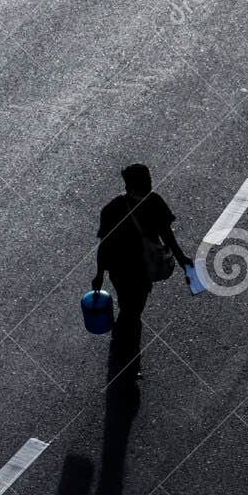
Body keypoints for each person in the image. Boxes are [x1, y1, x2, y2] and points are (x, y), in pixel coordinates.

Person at [91, 163, 191, 384]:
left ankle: (122, 347)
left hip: (132, 270)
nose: (149, 183)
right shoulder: (150, 203)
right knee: (132, 313)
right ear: (131, 184)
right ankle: (128, 358)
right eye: (144, 180)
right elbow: (167, 237)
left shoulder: (116, 208)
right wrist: (182, 260)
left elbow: (104, 246)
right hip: (127, 271)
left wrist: (99, 274)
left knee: (130, 310)